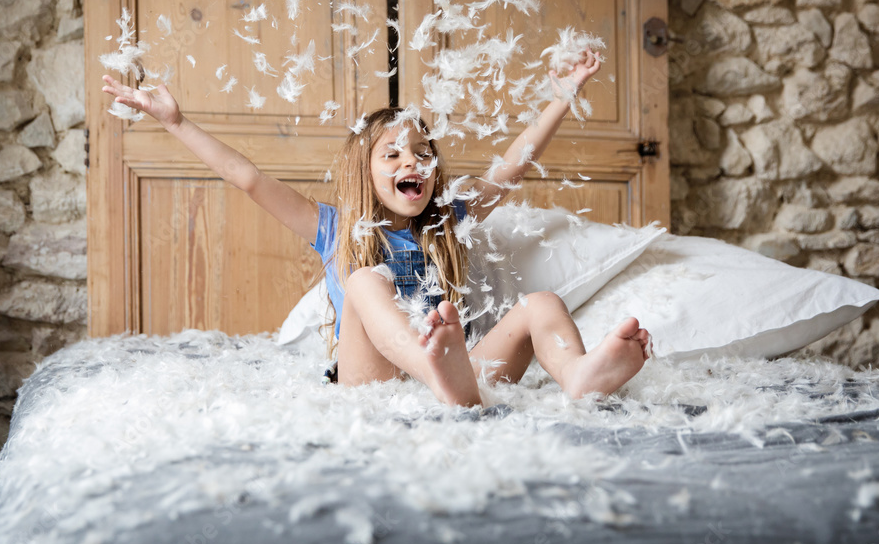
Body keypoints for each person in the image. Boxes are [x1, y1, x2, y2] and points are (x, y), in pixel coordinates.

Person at [101, 49, 650, 408]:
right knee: (365, 279)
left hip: (455, 378)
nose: (411, 161)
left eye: (421, 153)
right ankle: (435, 369)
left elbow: (512, 166)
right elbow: (247, 178)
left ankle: (579, 376)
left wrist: (562, 95)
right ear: (364, 172)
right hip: (372, 385)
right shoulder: (334, 228)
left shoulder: (448, 219)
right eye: (392, 154)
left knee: (542, 303)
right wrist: (175, 122)